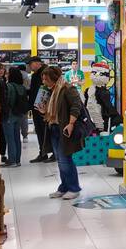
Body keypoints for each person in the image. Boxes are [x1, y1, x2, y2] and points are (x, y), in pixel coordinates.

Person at [42, 65, 85, 199]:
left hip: (65, 129)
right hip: (54, 128)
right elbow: (53, 109)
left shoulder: (67, 88)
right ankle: (64, 187)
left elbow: (76, 106)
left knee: (65, 159)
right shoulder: (53, 90)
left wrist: (71, 123)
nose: (44, 82)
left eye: (46, 79)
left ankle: (74, 187)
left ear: (54, 78)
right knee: (60, 160)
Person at [0, 66, 30, 167]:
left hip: (9, 115)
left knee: (10, 138)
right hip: (19, 115)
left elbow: (8, 100)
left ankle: (11, 160)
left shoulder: (9, 86)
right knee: (17, 137)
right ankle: (17, 160)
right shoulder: (21, 87)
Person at [26, 56, 53, 163]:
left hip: (45, 108)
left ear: (38, 63)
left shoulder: (47, 73)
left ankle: (55, 153)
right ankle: (43, 153)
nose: (29, 66)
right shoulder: (35, 75)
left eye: (31, 64)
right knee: (40, 131)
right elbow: (34, 91)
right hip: (36, 108)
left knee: (49, 130)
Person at [0, 65, 9, 161]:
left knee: (3, 134)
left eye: (2, 69)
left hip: (3, 111)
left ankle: (3, 154)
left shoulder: (3, 81)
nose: (1, 71)